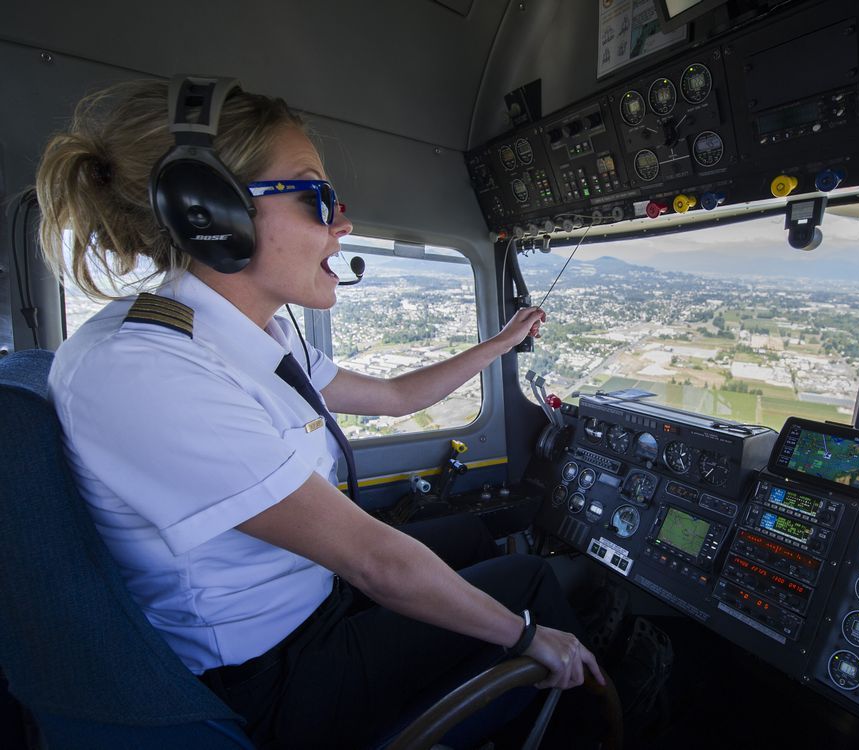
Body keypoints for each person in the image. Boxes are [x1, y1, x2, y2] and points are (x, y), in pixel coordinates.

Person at [35, 76, 602, 748]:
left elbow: (395, 399)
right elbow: (371, 559)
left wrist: (502, 343)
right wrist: (532, 636)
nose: (343, 222)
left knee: (471, 539)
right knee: (528, 583)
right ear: (210, 212)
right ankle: (593, 720)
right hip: (269, 678)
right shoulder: (145, 369)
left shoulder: (242, 336)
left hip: (311, 601)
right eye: (315, 195)